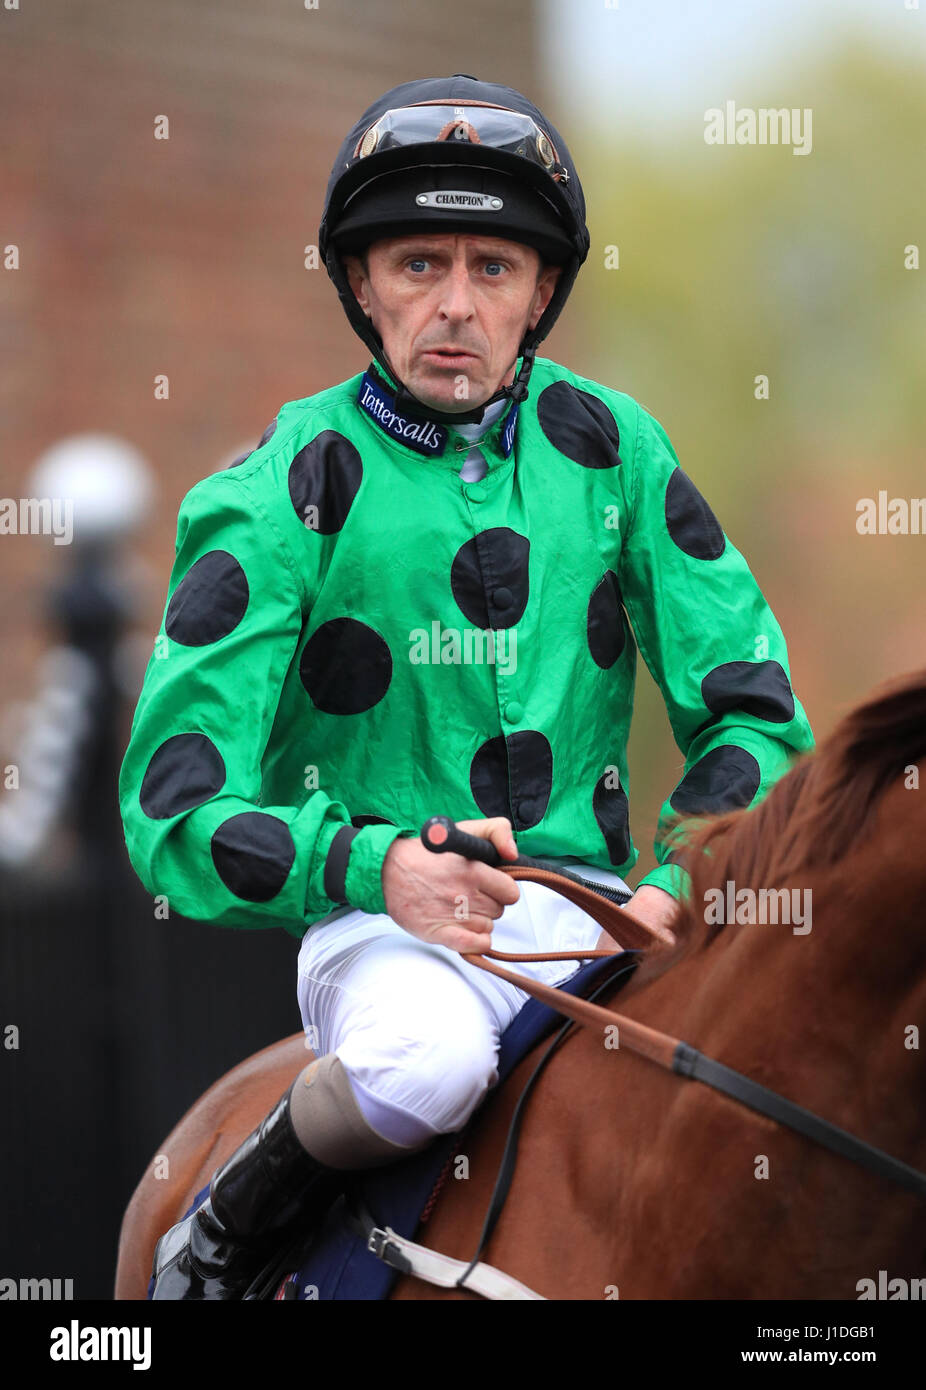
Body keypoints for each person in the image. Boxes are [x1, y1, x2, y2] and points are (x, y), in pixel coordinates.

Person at [119, 75, 814, 1299]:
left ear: (541, 293)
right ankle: (222, 1235)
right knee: (424, 1070)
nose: (453, 305)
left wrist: (669, 879)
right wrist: (376, 867)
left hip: (596, 920)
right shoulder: (278, 480)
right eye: (416, 263)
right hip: (389, 939)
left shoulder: (620, 449)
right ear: (359, 282)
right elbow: (173, 805)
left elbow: (754, 713)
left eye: (492, 268)